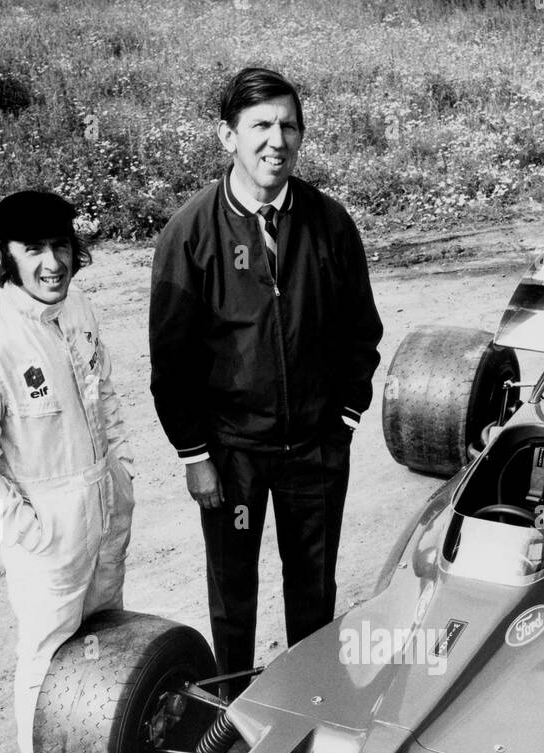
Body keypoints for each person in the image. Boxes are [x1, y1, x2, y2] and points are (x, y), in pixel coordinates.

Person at [149, 66, 383, 700]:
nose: (275, 140)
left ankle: (311, 704)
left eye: (288, 125)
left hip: (314, 449)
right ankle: (232, 710)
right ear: (227, 136)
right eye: (259, 126)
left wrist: (344, 422)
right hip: (233, 457)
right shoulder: (191, 233)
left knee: (313, 589)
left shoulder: (330, 223)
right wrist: (196, 456)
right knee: (234, 595)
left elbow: (361, 333)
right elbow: (170, 362)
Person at [0, 190, 135, 753]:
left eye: (61, 246)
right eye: (33, 250)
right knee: (49, 650)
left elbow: (103, 396)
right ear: (5, 258)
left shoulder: (77, 305)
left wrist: (119, 472)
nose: (52, 263)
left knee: (105, 630)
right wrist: (29, 530)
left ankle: (95, 745)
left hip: (101, 500)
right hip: (47, 523)